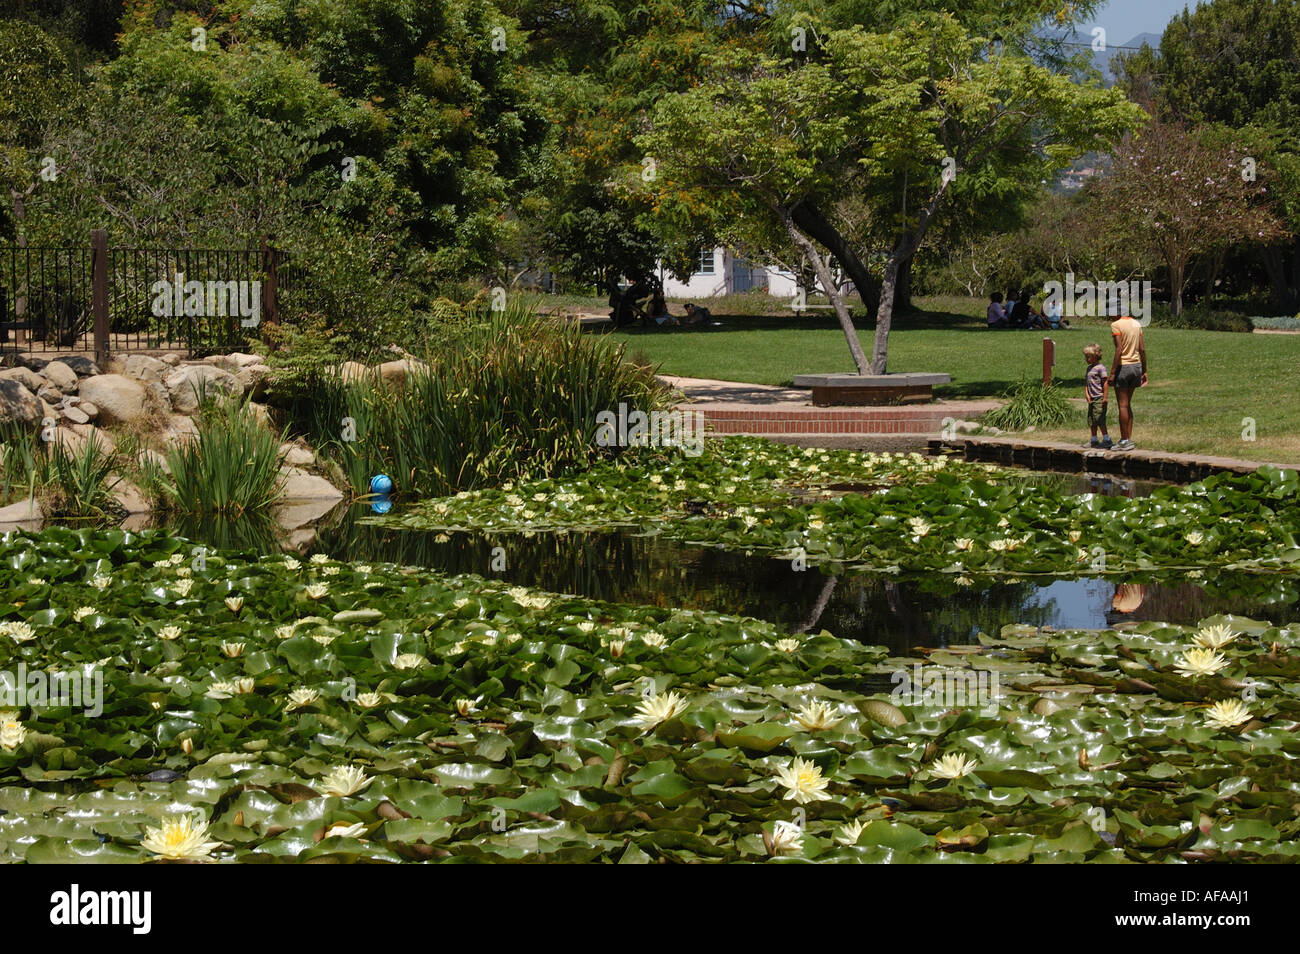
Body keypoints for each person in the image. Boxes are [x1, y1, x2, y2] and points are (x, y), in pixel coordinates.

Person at [1109, 309, 1147, 451]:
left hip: (1123, 367)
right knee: (1127, 404)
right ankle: (1128, 439)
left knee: (1122, 405)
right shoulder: (1137, 324)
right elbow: (1142, 349)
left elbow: (1119, 349)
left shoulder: (1116, 325)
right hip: (1136, 366)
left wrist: (1112, 373)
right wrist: (1144, 370)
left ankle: (1124, 440)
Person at [1083, 343, 1113, 449]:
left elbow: (1105, 383)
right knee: (1091, 419)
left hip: (1099, 397)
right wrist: (1087, 394)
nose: (1086, 359)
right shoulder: (1089, 369)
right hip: (1091, 398)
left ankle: (1107, 439)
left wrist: (1105, 397)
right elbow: (1087, 383)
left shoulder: (1101, 368)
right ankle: (1094, 439)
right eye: (1085, 357)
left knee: (1099, 418)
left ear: (1096, 356)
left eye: (1088, 357)